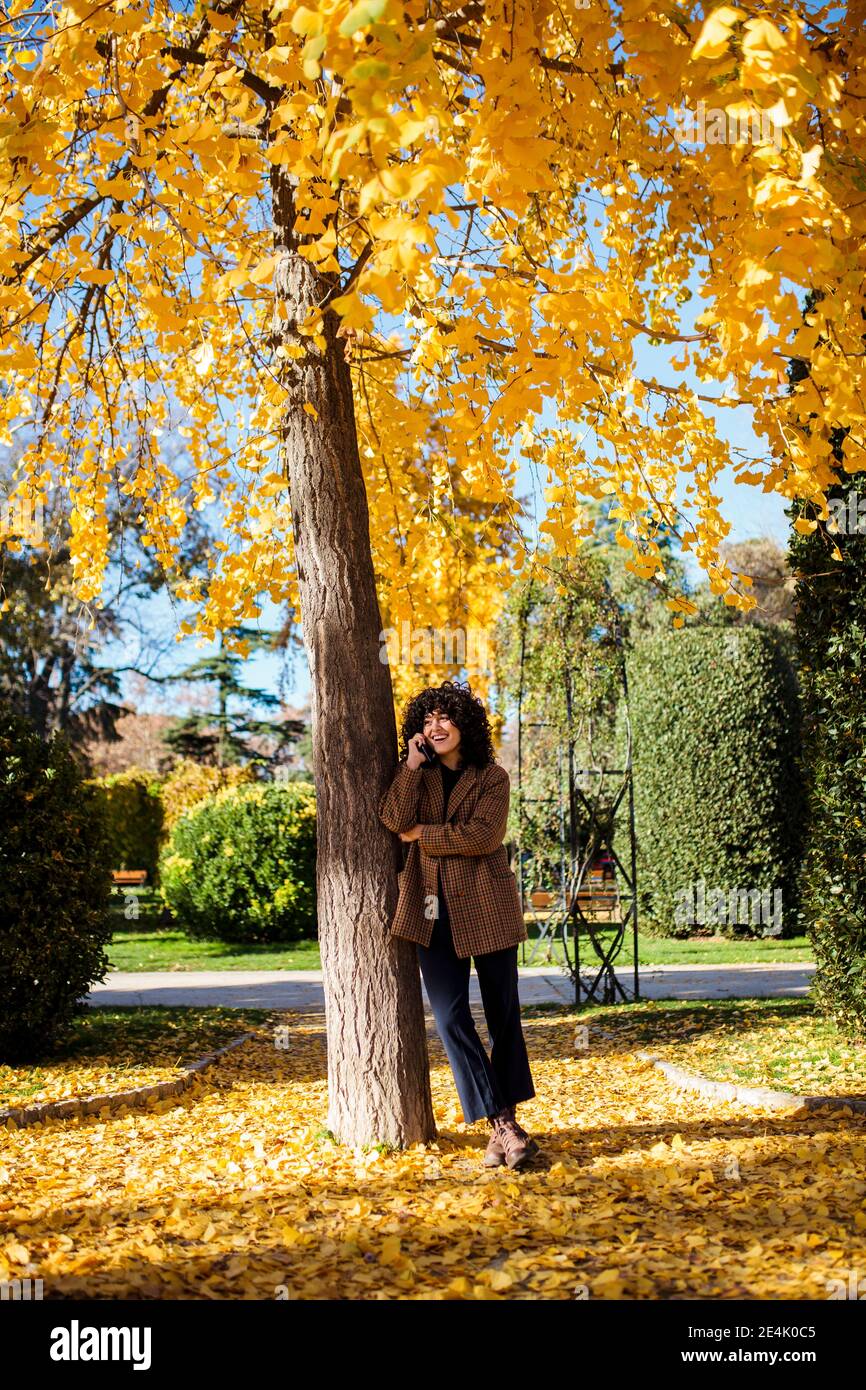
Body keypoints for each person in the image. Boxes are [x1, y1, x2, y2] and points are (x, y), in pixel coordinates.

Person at [378, 679, 539, 1170]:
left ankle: (501, 1128)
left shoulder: (493, 777)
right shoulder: (417, 774)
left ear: (464, 724)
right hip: (431, 911)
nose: (435, 727)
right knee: (449, 1018)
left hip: (487, 907)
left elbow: (484, 836)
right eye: (426, 722)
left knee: (503, 1016)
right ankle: (503, 1125)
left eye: (444, 718)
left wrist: (423, 834)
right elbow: (391, 818)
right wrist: (409, 765)